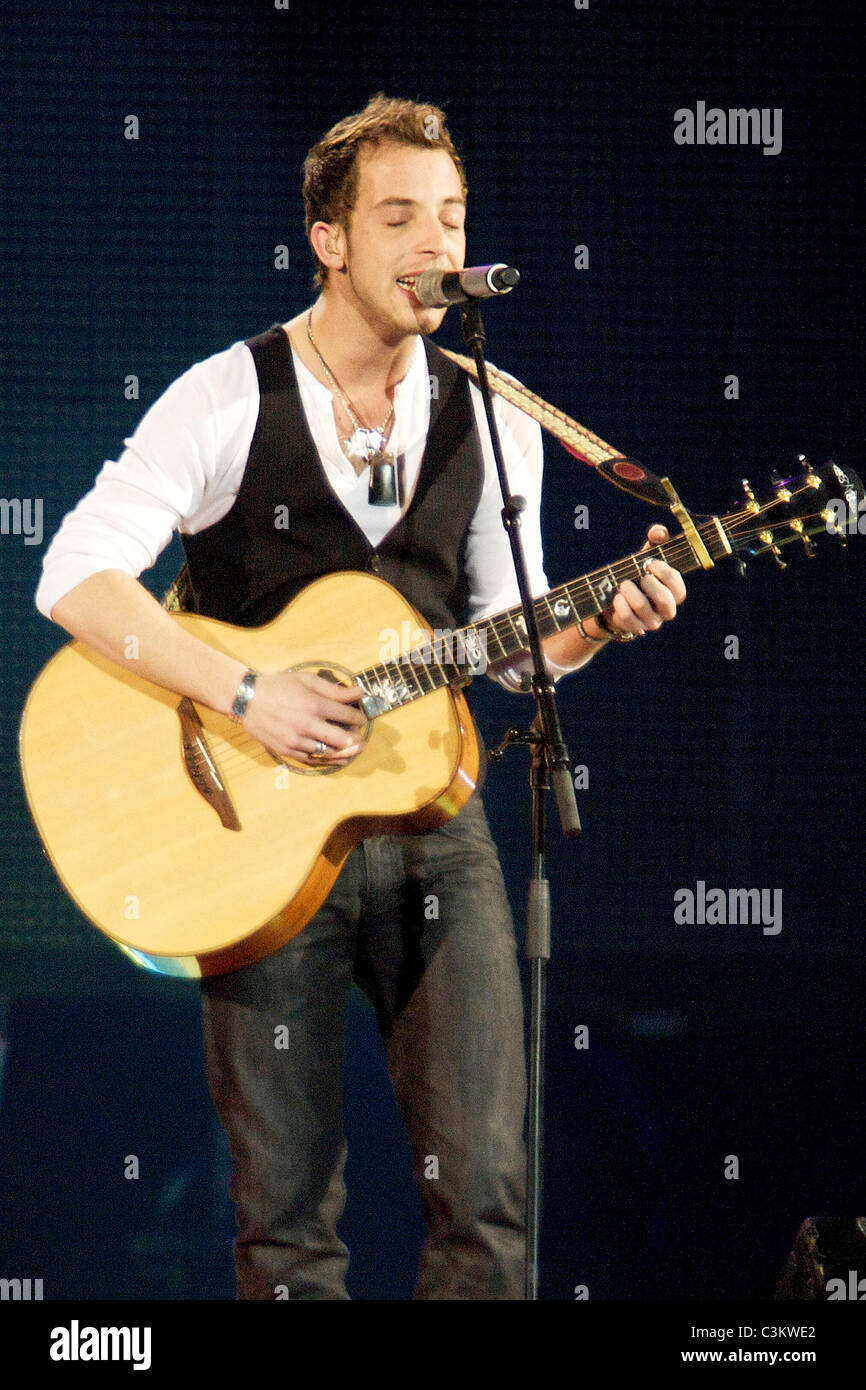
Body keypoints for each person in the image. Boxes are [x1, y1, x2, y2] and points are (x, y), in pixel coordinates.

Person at [35, 94, 686, 1299]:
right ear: (329, 240)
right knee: (284, 1224)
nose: (437, 246)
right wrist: (244, 688)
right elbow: (71, 575)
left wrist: (596, 618)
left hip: (436, 833)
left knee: (488, 1203)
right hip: (249, 837)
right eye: (400, 218)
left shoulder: (500, 423)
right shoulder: (225, 398)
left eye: (450, 217)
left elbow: (511, 651)